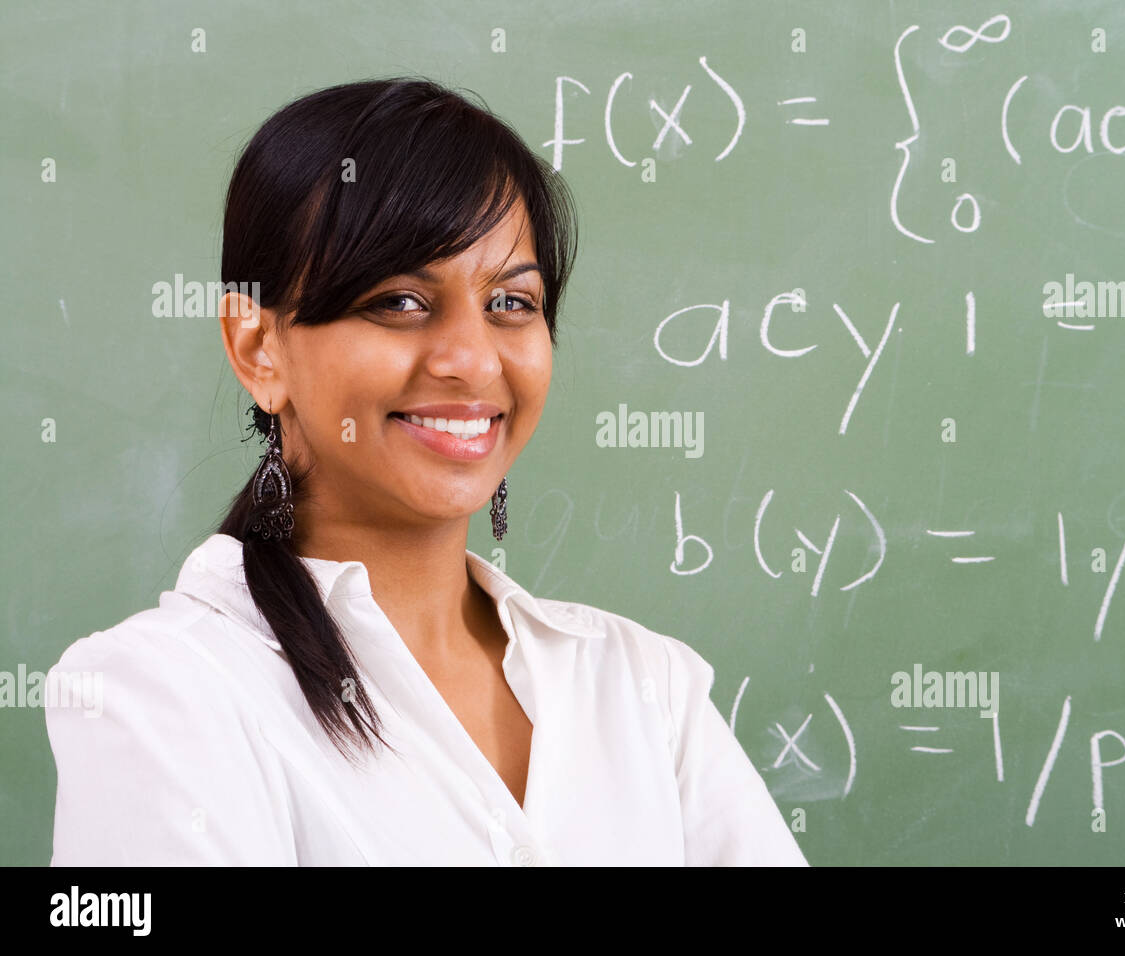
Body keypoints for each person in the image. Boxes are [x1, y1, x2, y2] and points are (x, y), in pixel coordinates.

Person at [44, 77, 809, 866]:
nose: (472, 360)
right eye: (400, 301)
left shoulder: (644, 687)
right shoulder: (159, 694)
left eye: (512, 302)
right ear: (257, 347)